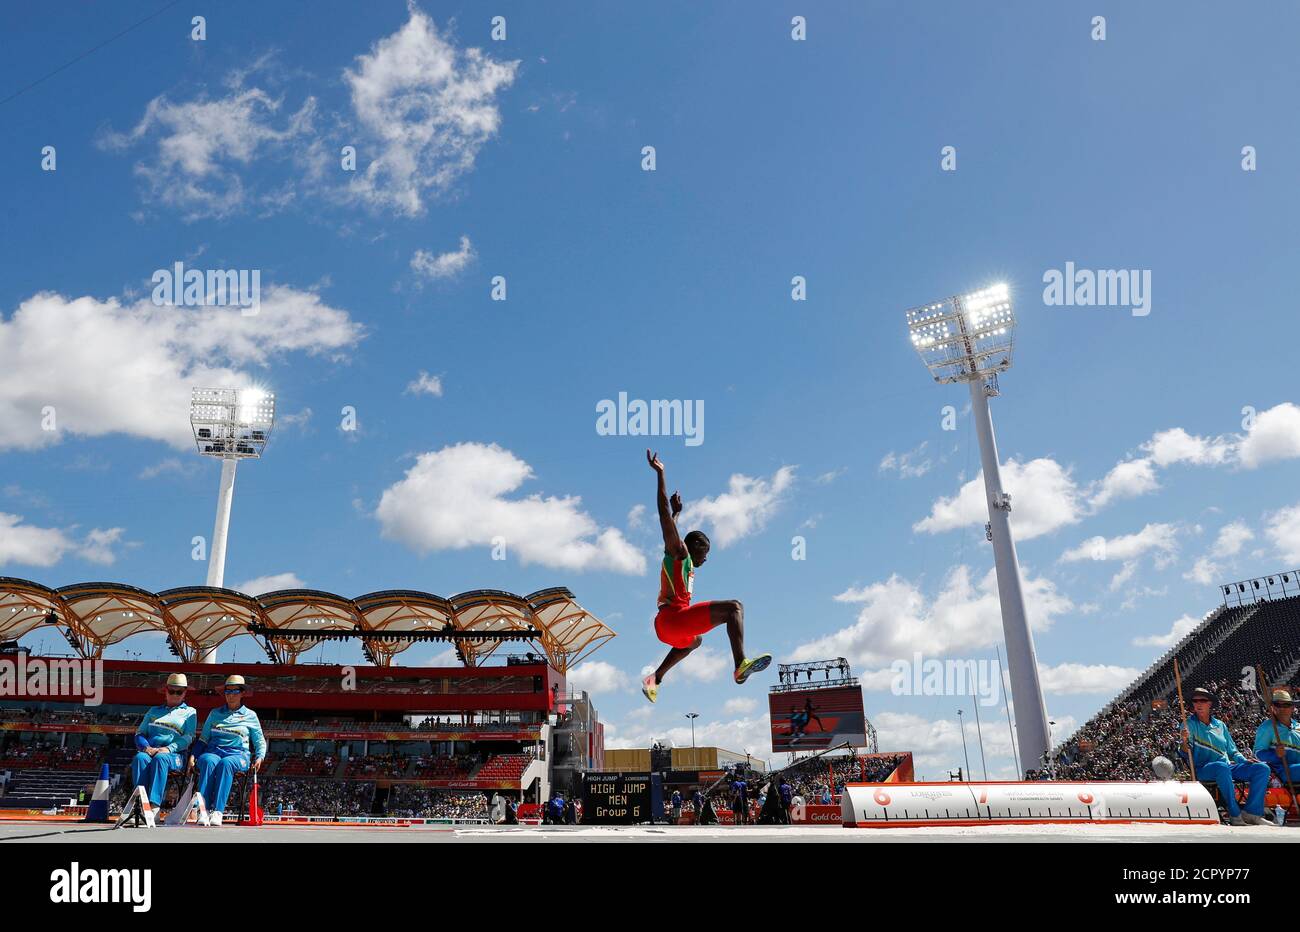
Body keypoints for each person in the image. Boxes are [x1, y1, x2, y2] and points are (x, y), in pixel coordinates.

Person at [641, 450, 771, 703]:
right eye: (705, 553)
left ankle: (655, 679)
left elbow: (672, 526)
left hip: (672, 629)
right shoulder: (679, 552)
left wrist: (678, 514)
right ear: (695, 546)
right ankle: (740, 664)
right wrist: (661, 474)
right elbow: (663, 517)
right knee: (734, 607)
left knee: (696, 641)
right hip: (672, 619)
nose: (706, 559)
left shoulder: (681, 555)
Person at [1184, 687, 1273, 826]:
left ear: (1210, 704)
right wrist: (1184, 741)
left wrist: (1244, 760)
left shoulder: (1220, 725)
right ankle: (1234, 813)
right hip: (1203, 769)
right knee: (1221, 767)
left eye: (1203, 700)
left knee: (1262, 768)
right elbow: (1185, 751)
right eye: (1195, 701)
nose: (1199, 703)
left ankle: (1252, 813)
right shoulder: (1187, 724)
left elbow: (1232, 750)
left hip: (1227, 767)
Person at [193, 674, 266, 826]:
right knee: (207, 760)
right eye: (228, 691)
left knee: (226, 763)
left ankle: (218, 811)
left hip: (238, 754)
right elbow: (204, 738)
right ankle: (203, 810)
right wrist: (194, 755)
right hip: (214, 751)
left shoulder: (250, 715)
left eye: (235, 691)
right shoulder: (215, 713)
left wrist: (260, 756)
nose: (230, 695)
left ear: (242, 693)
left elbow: (259, 740)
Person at [128, 673, 196, 815]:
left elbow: (189, 737)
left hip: (175, 756)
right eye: (172, 691)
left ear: (185, 693)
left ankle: (154, 806)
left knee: (161, 759)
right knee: (140, 758)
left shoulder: (190, 712)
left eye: (180, 691)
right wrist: (146, 748)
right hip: (150, 751)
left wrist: (168, 749)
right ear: (165, 691)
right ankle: (140, 804)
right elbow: (139, 733)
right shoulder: (153, 711)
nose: (175, 694)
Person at [1254, 688, 1300, 784]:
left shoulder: (1298, 727)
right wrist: (1276, 755)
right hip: (1282, 771)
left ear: (1292, 708)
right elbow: (1257, 754)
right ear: (1272, 708)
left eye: (1286, 705)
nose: (1281, 708)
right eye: (1277, 705)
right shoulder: (1267, 727)